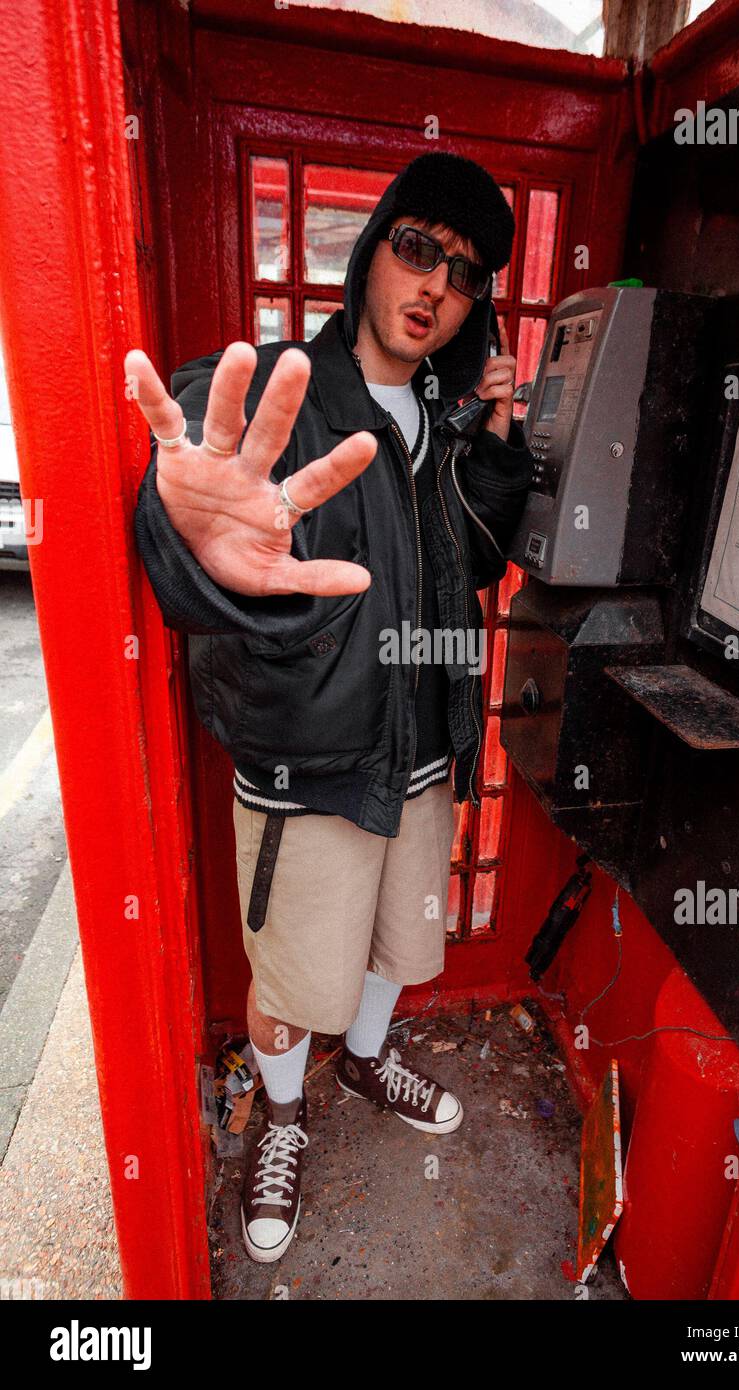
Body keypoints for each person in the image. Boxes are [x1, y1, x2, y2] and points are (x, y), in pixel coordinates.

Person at [128, 151, 533, 1262]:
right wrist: (189, 541)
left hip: (418, 751)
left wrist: (490, 447)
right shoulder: (280, 391)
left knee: (394, 950)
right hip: (309, 761)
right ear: (369, 252)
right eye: (416, 247)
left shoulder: (445, 419)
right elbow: (187, 516)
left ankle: (363, 1053)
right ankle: (286, 1110)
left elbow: (480, 560)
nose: (433, 285)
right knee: (288, 983)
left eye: (460, 273)